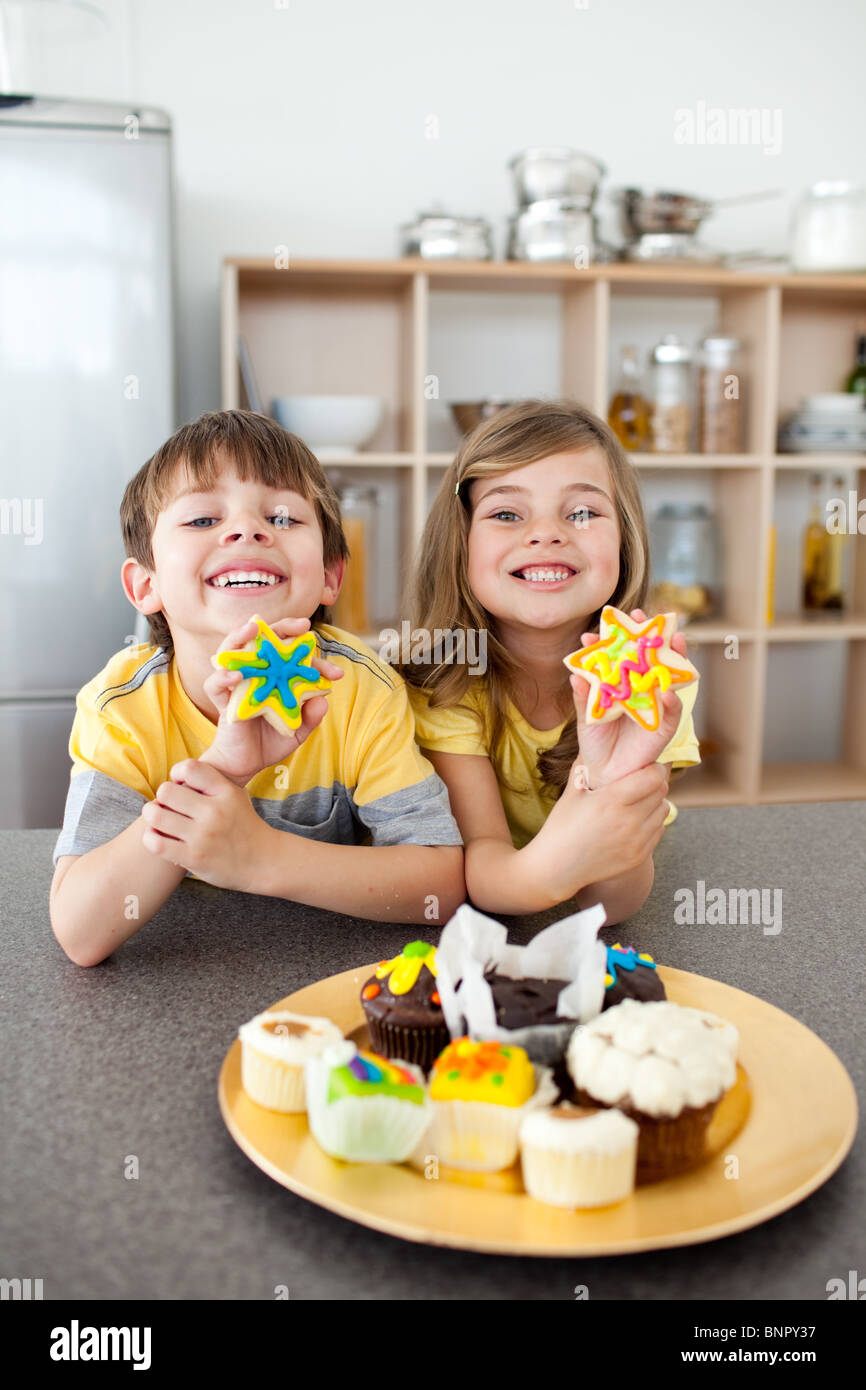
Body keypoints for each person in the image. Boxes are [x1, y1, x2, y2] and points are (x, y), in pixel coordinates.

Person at [49, 410, 464, 966]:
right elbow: (81, 932)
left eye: (283, 516)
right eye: (201, 520)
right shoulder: (122, 707)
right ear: (145, 585)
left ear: (330, 576)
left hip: (328, 968)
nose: (247, 529)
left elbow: (440, 885)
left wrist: (262, 858)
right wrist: (223, 769)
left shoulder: (361, 686)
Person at [399, 399, 701, 921]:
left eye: (582, 512)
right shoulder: (444, 687)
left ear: (626, 539)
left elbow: (611, 904)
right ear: (461, 542)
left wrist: (614, 778)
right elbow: (487, 874)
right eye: (506, 513)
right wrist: (560, 859)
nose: (546, 533)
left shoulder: (649, 679)